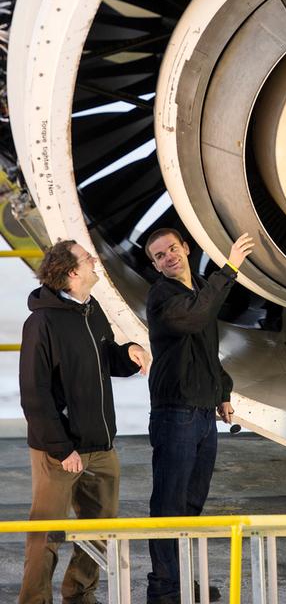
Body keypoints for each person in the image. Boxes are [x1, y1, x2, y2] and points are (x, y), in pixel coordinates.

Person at [18, 240, 150, 604]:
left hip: (101, 446)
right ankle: (34, 601)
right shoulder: (41, 322)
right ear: (73, 271)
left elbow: (104, 356)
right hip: (59, 451)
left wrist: (129, 354)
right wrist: (62, 449)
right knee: (47, 535)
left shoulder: (91, 310)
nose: (94, 260)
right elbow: (34, 393)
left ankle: (79, 594)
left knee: (99, 530)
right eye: (86, 257)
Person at [144, 227, 254, 604]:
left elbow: (208, 348)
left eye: (172, 249)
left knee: (191, 505)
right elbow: (193, 319)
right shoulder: (162, 296)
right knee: (169, 505)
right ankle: (163, 590)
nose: (168, 257)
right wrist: (232, 267)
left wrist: (222, 392)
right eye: (159, 256)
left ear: (186, 248)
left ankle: (181, 582)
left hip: (204, 414)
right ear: (156, 266)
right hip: (175, 413)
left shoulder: (201, 288)